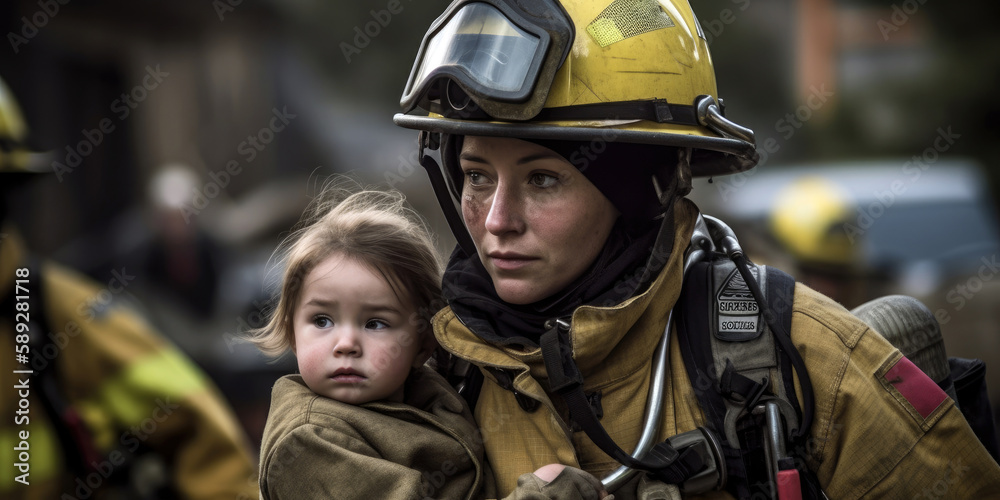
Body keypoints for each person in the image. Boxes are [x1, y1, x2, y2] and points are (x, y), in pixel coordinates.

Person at [392, 1, 1000, 498]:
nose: (497, 220)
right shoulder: (408, 365)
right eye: (475, 175)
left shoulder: (794, 355)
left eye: (543, 179)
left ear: (638, 192)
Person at [249, 181, 609, 499]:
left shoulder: (427, 391)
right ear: (292, 332)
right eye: (322, 320)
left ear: (423, 343)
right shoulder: (309, 441)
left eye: (375, 324)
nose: (346, 344)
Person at [0, 78, 259, 498]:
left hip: (206, 358)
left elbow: (206, 439)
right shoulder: (133, 253)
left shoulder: (213, 252)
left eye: (185, 214)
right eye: (169, 215)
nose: (178, 224)